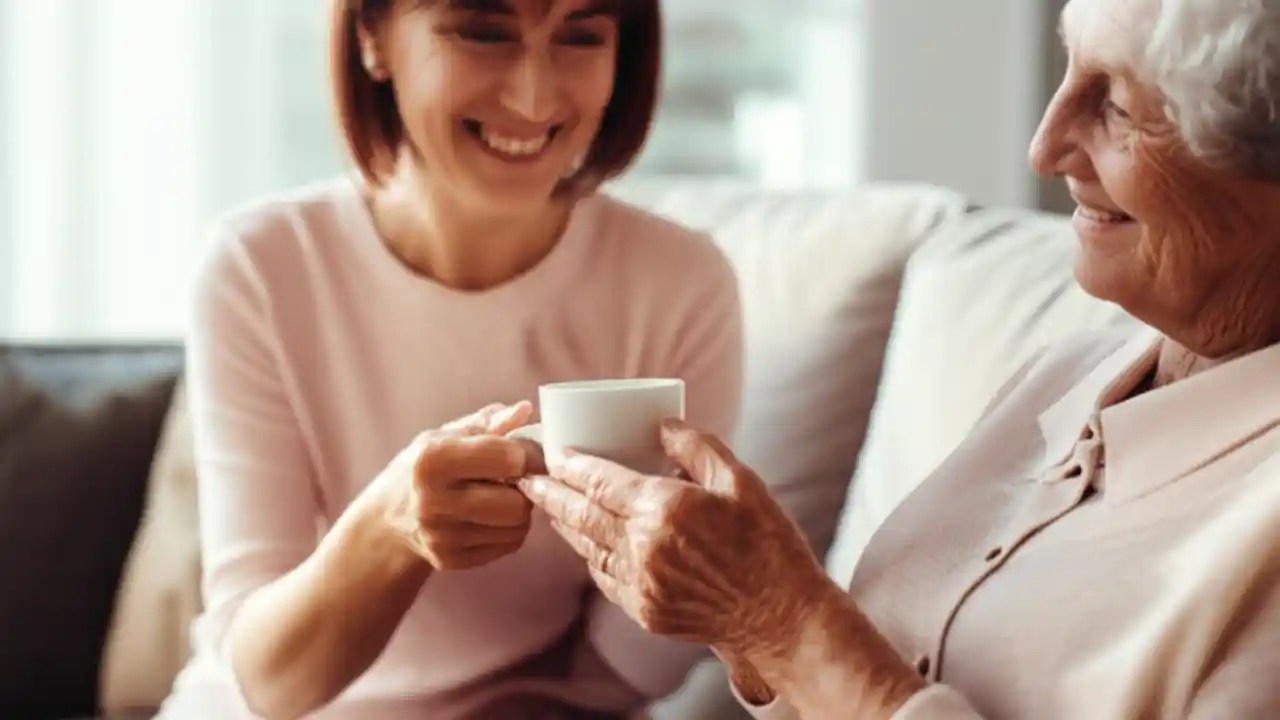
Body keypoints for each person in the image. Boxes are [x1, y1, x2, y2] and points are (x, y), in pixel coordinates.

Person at [522, 0, 1280, 717]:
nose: (1045, 148)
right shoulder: (1067, 374)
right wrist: (743, 620)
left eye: (1116, 105)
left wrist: (784, 622)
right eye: (1068, 69)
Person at [159, 0, 743, 718]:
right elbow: (271, 684)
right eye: (483, 33)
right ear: (371, 38)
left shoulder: (679, 282)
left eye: (582, 36)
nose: (533, 96)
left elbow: (635, 663)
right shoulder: (259, 267)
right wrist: (390, 528)